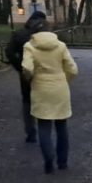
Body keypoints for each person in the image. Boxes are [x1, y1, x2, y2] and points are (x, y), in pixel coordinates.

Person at [20, 23, 79, 174]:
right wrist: (64, 79)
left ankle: (48, 158)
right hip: (60, 87)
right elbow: (73, 69)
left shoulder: (29, 46)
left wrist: (30, 78)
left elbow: (26, 67)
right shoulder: (60, 45)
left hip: (40, 87)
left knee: (43, 125)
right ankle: (63, 161)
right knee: (61, 125)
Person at [5, 12, 47, 142]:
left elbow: (9, 52)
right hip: (44, 73)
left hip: (25, 73)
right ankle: (43, 129)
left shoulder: (19, 35)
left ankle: (30, 131)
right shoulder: (46, 36)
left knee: (27, 101)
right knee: (42, 100)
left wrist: (19, 67)